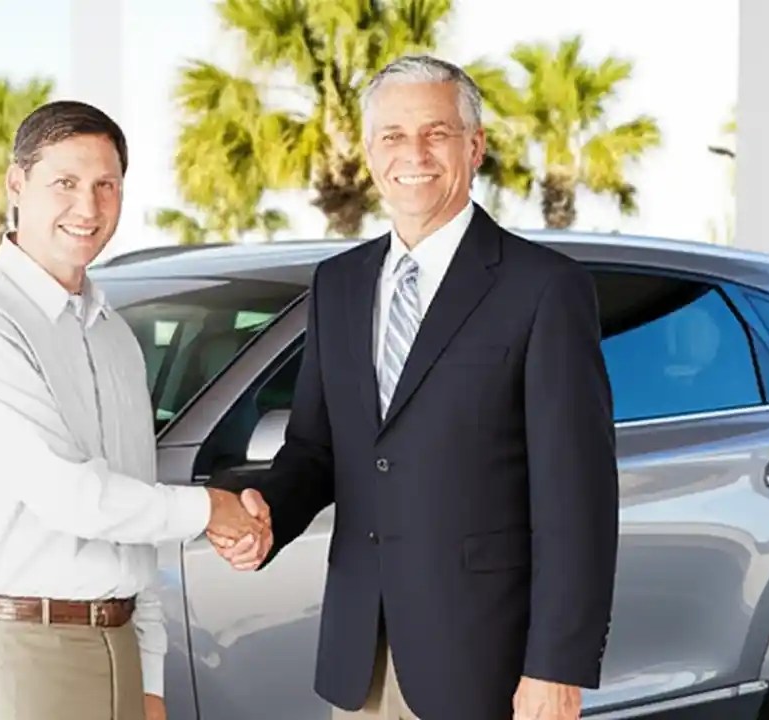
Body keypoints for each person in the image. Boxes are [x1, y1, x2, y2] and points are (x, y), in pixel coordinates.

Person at [209, 56, 620, 720]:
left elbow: (577, 498)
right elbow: (317, 448)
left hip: (486, 657)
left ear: (475, 146)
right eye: (393, 135)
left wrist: (556, 666)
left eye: (436, 133)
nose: (414, 153)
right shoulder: (337, 285)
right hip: (358, 654)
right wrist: (270, 516)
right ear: (370, 151)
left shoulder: (543, 288)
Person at [0, 100, 265, 720]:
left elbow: (135, 513)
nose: (89, 207)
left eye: (107, 185)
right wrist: (210, 508)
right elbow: (72, 497)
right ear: (16, 185)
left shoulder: (112, 335)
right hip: (24, 658)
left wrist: (151, 682)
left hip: (119, 646)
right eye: (66, 183)